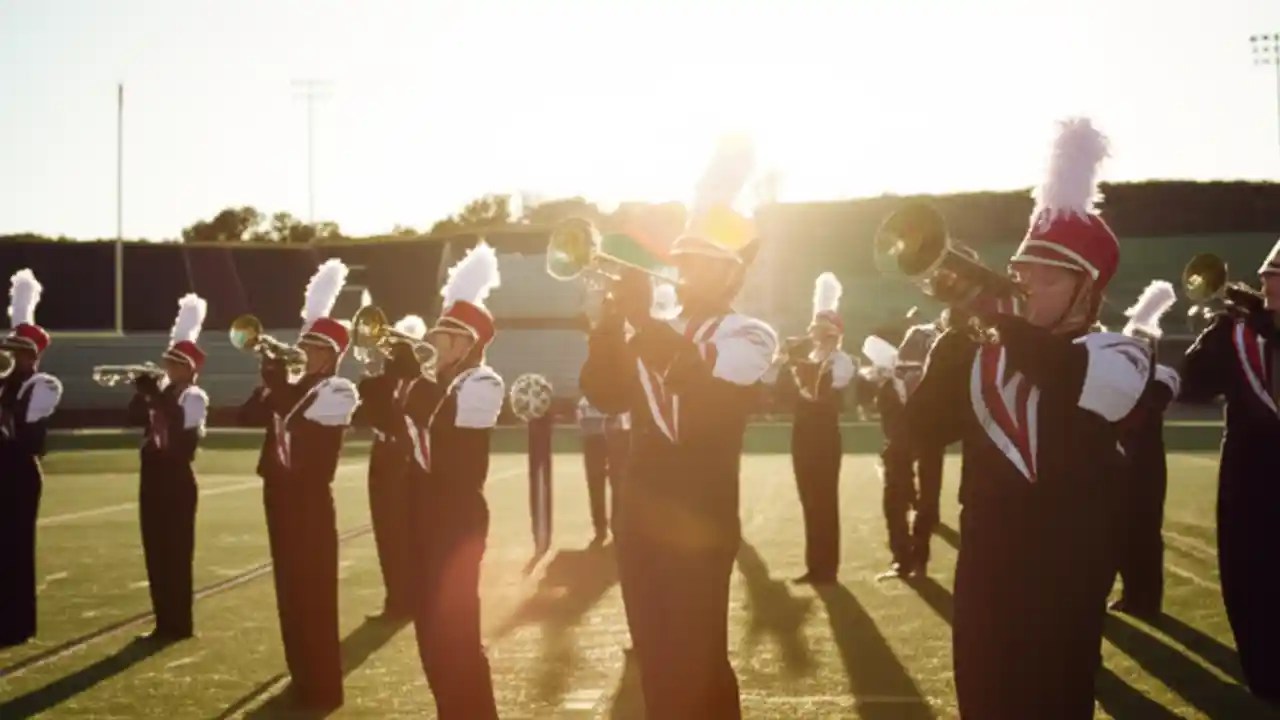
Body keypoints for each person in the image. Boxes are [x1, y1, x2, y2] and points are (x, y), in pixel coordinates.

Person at [886, 118, 1150, 717]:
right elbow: (918, 429)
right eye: (1022, 270)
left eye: (1046, 276)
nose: (1025, 284)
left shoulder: (1117, 353)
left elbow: (1073, 382)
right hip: (985, 579)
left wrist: (1000, 320)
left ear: (1088, 291)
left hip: (1065, 583)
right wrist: (956, 332)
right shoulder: (985, 352)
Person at [580, 156, 778, 717]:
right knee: (657, 661)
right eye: (684, 258)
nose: (685, 268)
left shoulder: (749, 335)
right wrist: (604, 327)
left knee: (696, 659)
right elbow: (605, 394)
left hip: (701, 518)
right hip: (639, 515)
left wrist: (642, 324)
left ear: (731, 274)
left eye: (701, 262)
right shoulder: (657, 331)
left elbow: (701, 392)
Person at [239, 259, 359, 711]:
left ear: (331, 355)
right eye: (303, 344)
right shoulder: (288, 385)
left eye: (314, 347)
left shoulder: (338, 390)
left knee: (314, 594)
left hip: (309, 499)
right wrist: (266, 383)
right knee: (289, 591)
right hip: (278, 494)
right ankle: (301, 675)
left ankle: (324, 687)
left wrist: (280, 387)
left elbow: (304, 424)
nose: (303, 352)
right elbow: (246, 417)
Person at [402, 242, 503, 719]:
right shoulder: (432, 381)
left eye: (444, 336)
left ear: (467, 343)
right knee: (430, 639)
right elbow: (391, 419)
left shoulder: (482, 383)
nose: (433, 343)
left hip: (458, 519)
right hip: (421, 514)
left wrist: (417, 381)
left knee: (456, 638)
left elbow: (441, 426)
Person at [1181, 239, 1280, 702]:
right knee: (1246, 575)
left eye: (1277, 277)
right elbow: (1193, 386)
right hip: (1247, 478)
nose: (1267, 283)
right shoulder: (1237, 333)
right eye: (1266, 275)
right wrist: (1215, 331)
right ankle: (1264, 675)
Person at [127, 293, 209, 642]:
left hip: (176, 479)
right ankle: (163, 621)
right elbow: (133, 418)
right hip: (152, 476)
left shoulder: (194, 396)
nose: (170, 369)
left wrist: (157, 396)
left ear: (190, 368)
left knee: (176, 552)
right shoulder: (162, 393)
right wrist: (143, 393)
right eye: (168, 362)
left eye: (177, 364)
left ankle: (180, 624)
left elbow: (182, 438)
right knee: (155, 551)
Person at [1106, 281, 1179, 620]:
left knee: (1145, 533)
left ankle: (1146, 599)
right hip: (1118, 464)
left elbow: (1151, 399)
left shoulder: (1163, 377)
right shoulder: (1119, 376)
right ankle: (1128, 595)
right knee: (1115, 530)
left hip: (1147, 467)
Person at [0, 269, 61, 648]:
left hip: (20, 470)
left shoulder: (43, 385)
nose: (13, 356)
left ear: (33, 354)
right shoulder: (7, 382)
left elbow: (25, 430)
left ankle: (19, 623)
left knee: (18, 545)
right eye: (13, 350)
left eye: (21, 351)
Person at [782, 272, 854, 585]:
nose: (816, 335)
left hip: (824, 435)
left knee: (824, 499)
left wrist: (809, 362)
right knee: (808, 499)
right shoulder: (805, 358)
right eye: (815, 330)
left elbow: (833, 384)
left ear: (834, 334)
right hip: (802, 433)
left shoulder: (841, 360)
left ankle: (827, 568)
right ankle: (814, 566)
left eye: (822, 331)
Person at [354, 313, 427, 622]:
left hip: (407, 457)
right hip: (384, 455)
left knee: (408, 530)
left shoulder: (418, 380)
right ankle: (396, 598)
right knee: (386, 530)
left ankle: (411, 598)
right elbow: (365, 418)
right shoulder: (378, 383)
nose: (389, 350)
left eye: (398, 346)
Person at [877, 312, 946, 579]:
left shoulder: (942, 344)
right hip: (903, 434)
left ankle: (918, 558)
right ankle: (903, 558)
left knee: (927, 497)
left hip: (928, 429)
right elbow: (887, 401)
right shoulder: (916, 339)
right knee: (895, 494)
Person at [577, 396, 630, 545]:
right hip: (596, 432)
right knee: (599, 482)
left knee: (616, 482)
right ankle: (602, 527)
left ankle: (613, 526)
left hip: (615, 432)